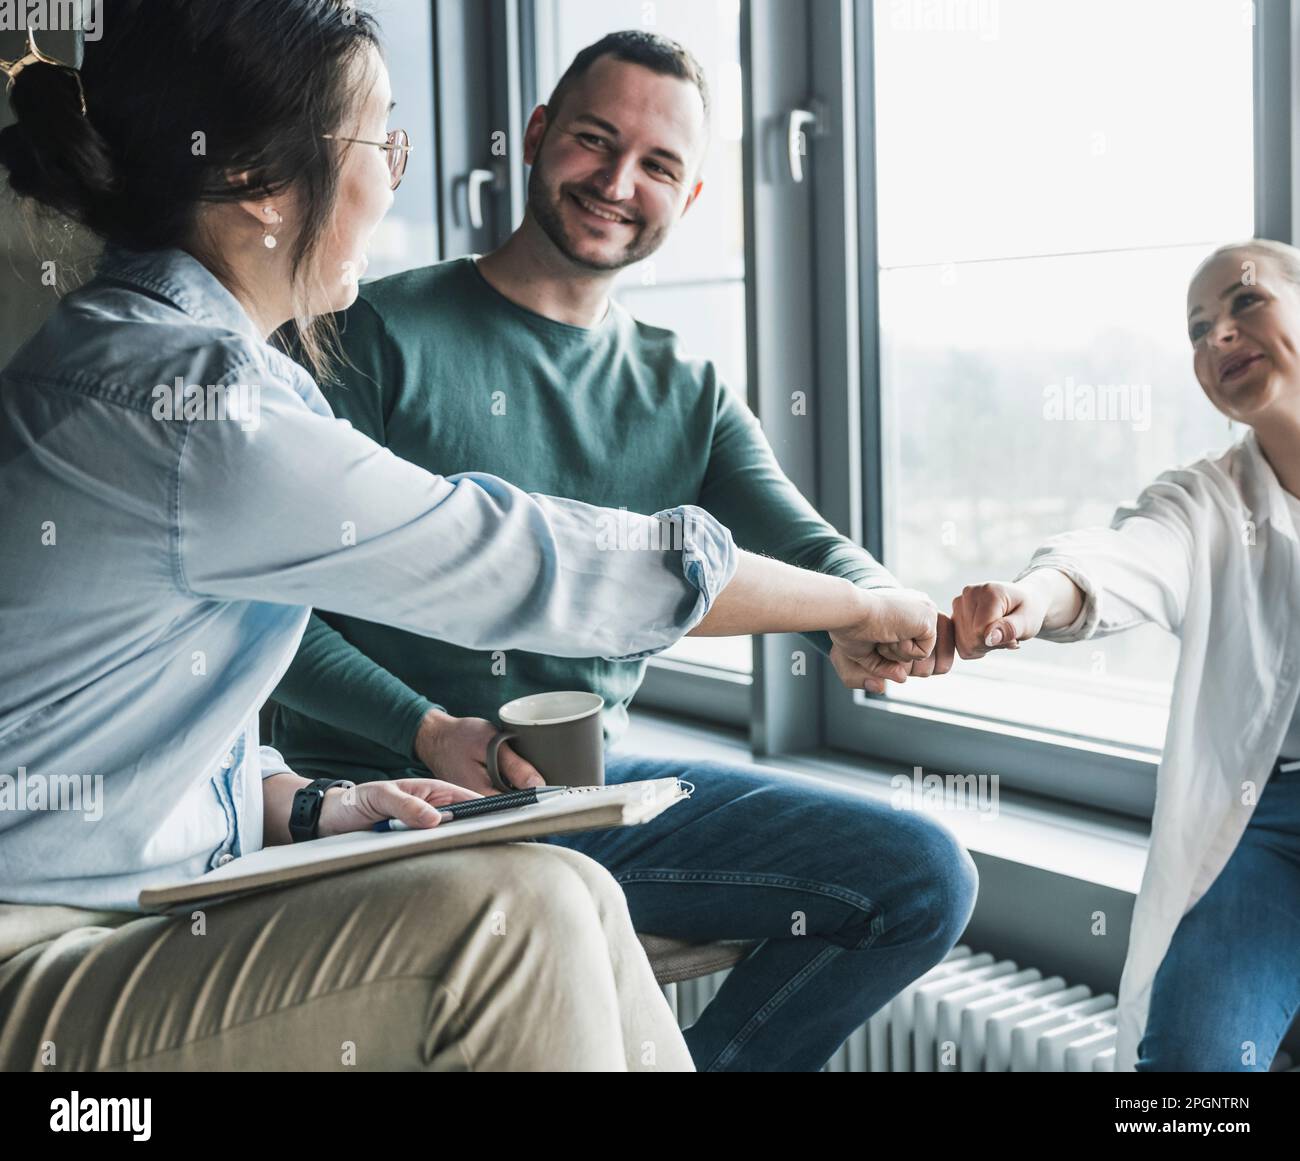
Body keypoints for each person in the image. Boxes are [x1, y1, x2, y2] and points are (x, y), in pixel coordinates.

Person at [0, 2, 940, 1072]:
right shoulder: (197, 405)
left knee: (572, 885)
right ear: (263, 182)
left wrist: (310, 804)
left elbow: (124, 719)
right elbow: (537, 565)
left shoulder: (180, 366)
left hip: (116, 910)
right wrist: (860, 611)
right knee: (518, 917)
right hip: (39, 949)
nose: (393, 177)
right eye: (380, 141)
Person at [269, 30, 978, 1072]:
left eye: (656, 166)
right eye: (594, 143)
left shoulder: (681, 390)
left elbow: (809, 548)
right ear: (538, 135)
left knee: (920, 876)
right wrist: (423, 732)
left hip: (586, 800)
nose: (615, 183)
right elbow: (270, 612)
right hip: (381, 804)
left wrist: (886, 610)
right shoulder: (370, 332)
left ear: (687, 201)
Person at [950, 237, 1300, 1072]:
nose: (1217, 335)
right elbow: (1125, 557)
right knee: (1189, 1068)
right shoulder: (1209, 500)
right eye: (1196, 327)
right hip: (1268, 820)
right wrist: (1033, 597)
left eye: (1244, 302)